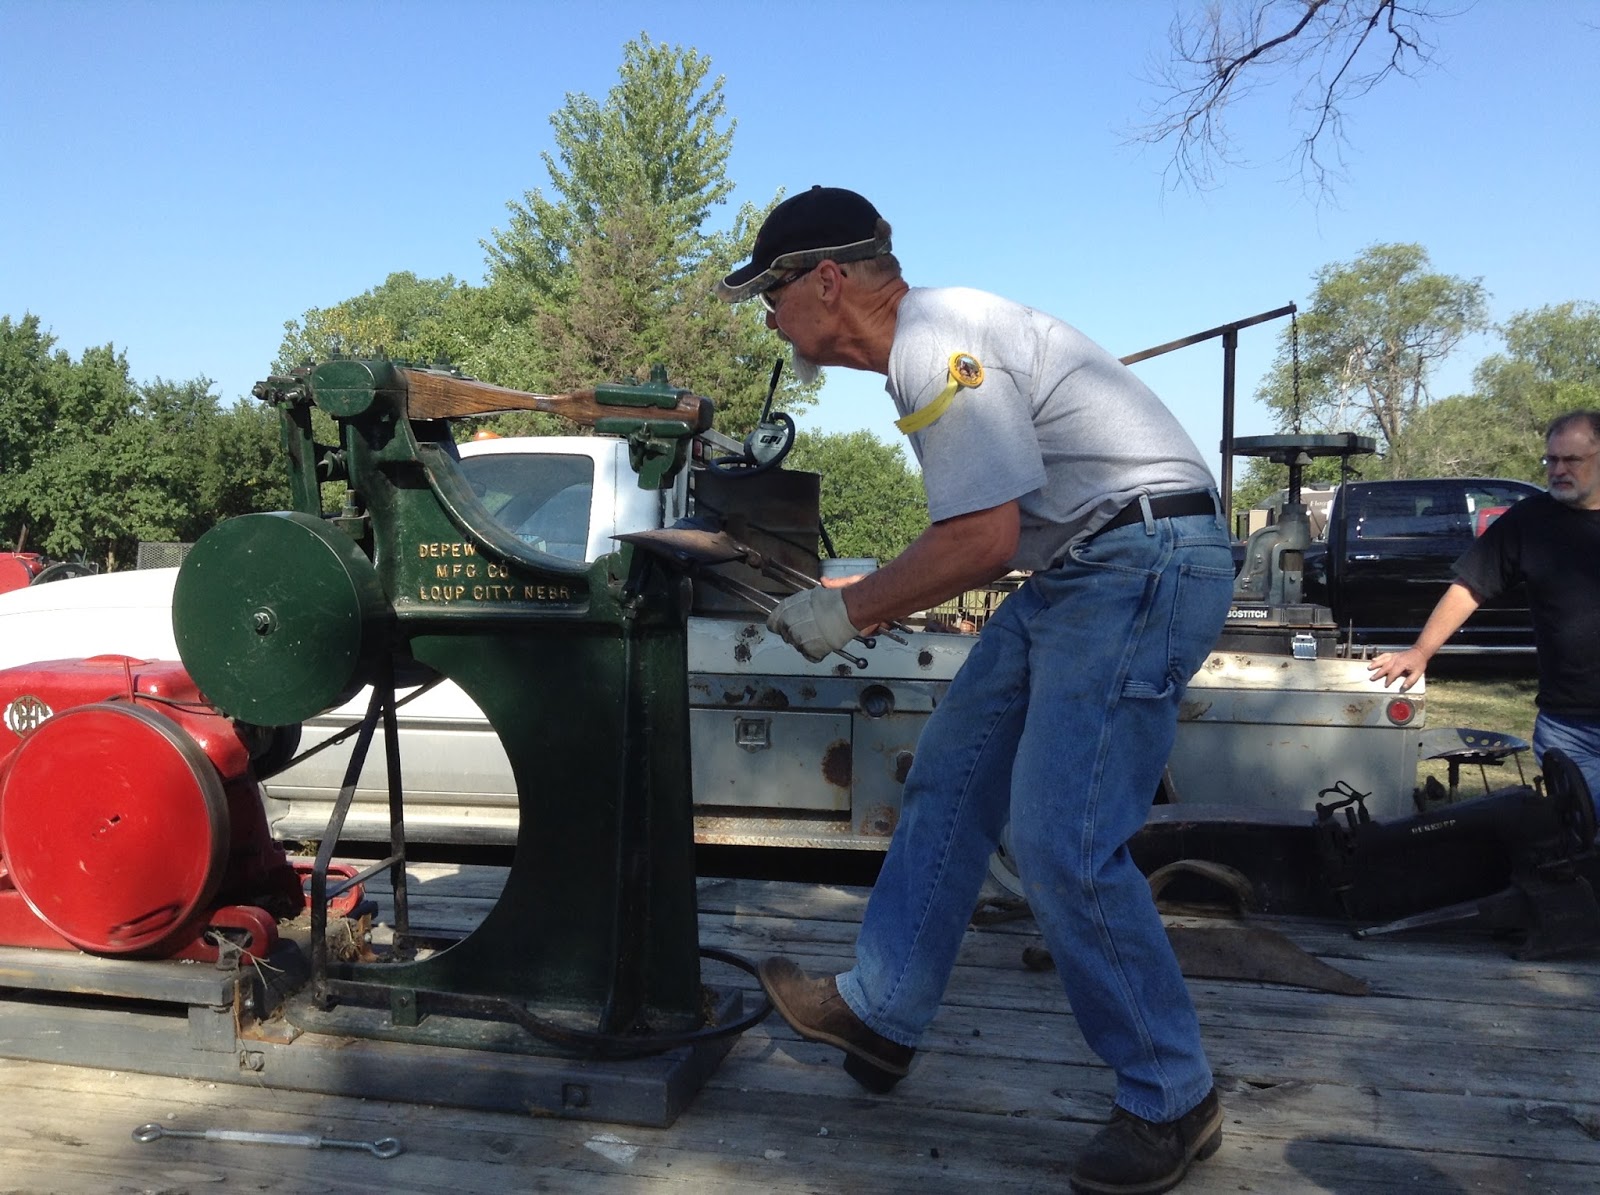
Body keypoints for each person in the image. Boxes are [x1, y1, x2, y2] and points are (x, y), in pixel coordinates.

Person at [717, 186, 1235, 1195]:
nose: (768, 316)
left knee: (1063, 838)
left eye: (771, 292)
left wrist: (850, 610)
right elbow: (986, 535)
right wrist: (859, 592)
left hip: (1137, 560)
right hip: (1084, 564)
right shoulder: (934, 347)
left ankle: (1172, 1095)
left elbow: (980, 542)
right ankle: (883, 1009)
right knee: (951, 777)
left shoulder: (937, 342)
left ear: (826, 278)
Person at [1370, 411, 1600, 812]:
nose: (1559, 470)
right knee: (1576, 840)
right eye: (1552, 460)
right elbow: (1469, 587)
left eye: (1573, 461)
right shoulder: (1531, 520)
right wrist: (1421, 651)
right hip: (1567, 723)